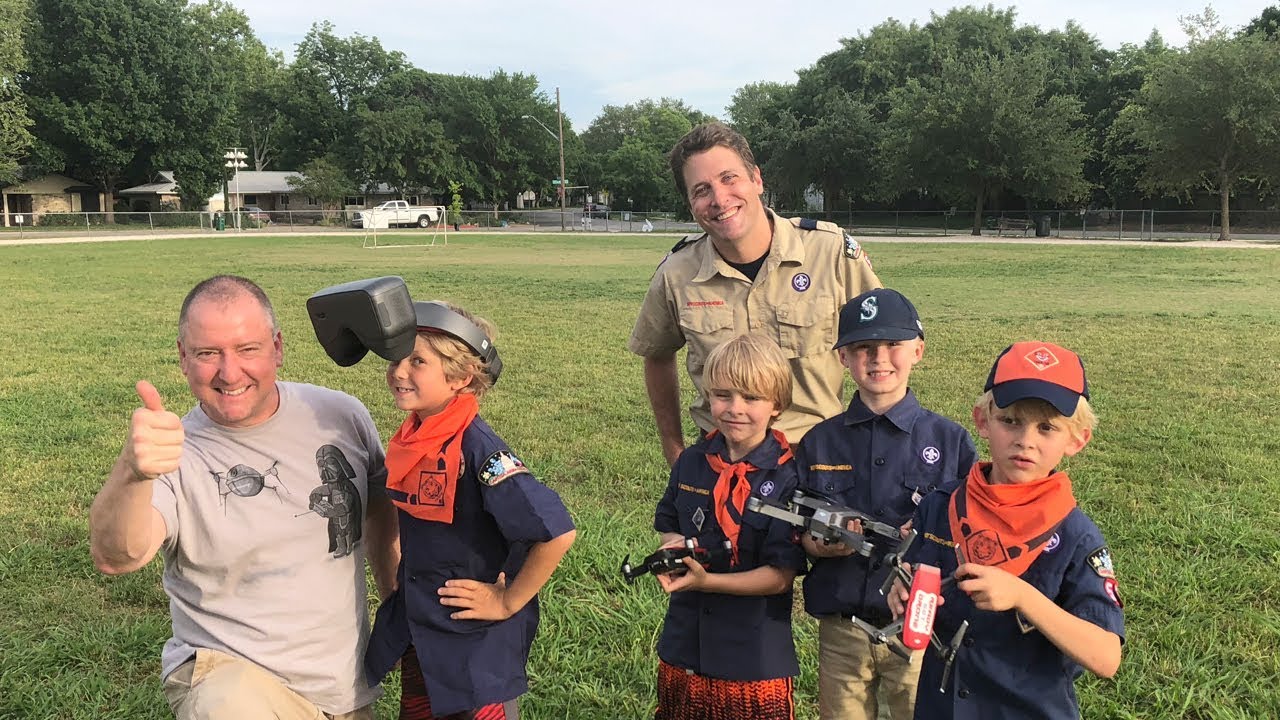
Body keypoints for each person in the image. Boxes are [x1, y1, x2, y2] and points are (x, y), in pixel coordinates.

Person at [88, 275, 398, 720]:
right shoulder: (174, 452)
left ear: (277, 347)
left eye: (247, 349)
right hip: (233, 679)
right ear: (182, 357)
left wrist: (399, 606)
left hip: (344, 689)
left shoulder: (340, 415)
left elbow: (380, 511)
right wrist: (132, 474)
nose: (229, 373)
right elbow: (117, 556)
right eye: (207, 353)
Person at [365, 300, 577, 720]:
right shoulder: (415, 438)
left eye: (418, 361)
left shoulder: (480, 450)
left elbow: (556, 532)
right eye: (397, 359)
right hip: (424, 633)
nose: (399, 371)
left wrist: (507, 601)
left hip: (470, 644)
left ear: (461, 377)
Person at [891, 341, 1124, 719]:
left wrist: (1023, 597)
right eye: (1010, 420)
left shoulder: (1076, 536)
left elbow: (1106, 657)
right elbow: (916, 579)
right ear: (983, 421)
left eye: (1046, 427)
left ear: (1076, 439)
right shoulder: (940, 507)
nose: (1025, 440)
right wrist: (903, 594)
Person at [629, 122, 882, 467]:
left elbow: (882, 339)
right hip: (722, 461)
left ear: (757, 180)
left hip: (817, 458)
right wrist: (675, 451)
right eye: (701, 190)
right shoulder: (677, 274)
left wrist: (877, 443)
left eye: (729, 178)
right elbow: (656, 354)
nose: (719, 199)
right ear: (690, 204)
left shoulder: (830, 252)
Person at [797, 288, 977, 720]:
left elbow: (973, 531)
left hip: (922, 628)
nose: (879, 359)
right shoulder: (820, 441)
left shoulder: (949, 442)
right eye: (863, 348)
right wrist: (816, 544)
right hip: (842, 631)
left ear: (918, 350)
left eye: (893, 345)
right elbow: (798, 525)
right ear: (843, 357)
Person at [651, 334, 808, 720]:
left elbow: (779, 577)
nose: (735, 409)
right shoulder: (692, 461)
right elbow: (669, 523)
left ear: (777, 405)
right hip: (685, 643)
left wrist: (708, 581)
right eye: (723, 395)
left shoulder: (790, 476)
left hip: (753, 657)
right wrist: (673, 551)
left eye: (751, 398)